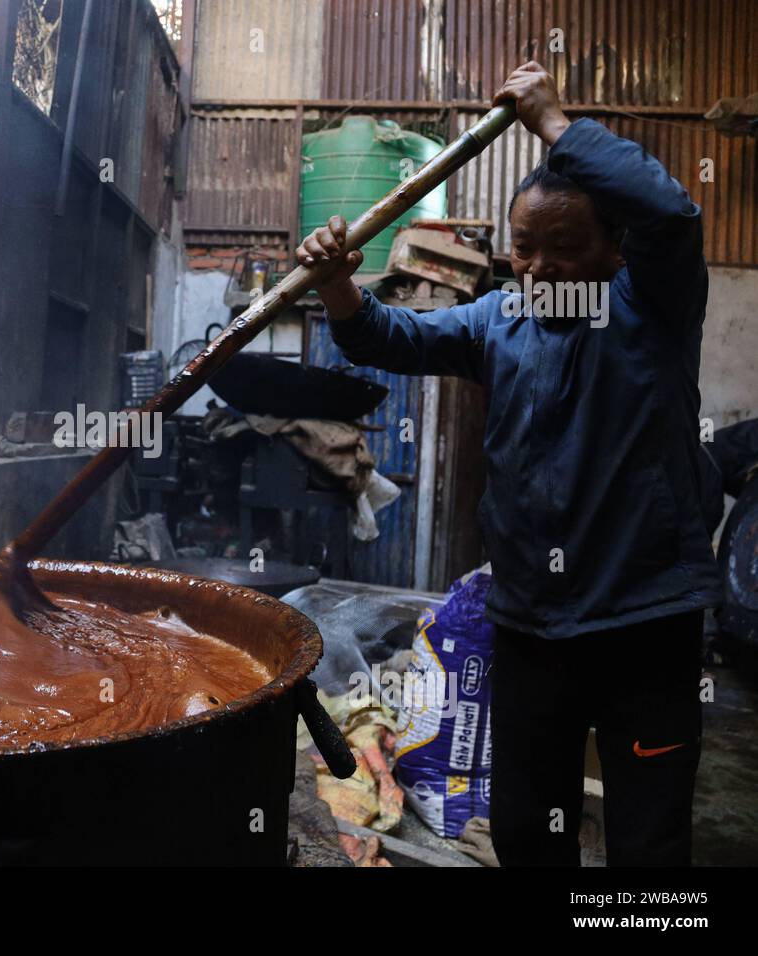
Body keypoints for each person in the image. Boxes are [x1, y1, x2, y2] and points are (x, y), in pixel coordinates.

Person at [296, 61, 723, 866]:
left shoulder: (652, 311)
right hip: (531, 623)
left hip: (645, 619)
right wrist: (339, 288)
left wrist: (555, 123)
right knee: (531, 827)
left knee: (650, 840)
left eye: (564, 249)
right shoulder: (501, 319)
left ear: (613, 249)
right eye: (524, 247)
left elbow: (671, 210)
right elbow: (392, 338)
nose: (537, 268)